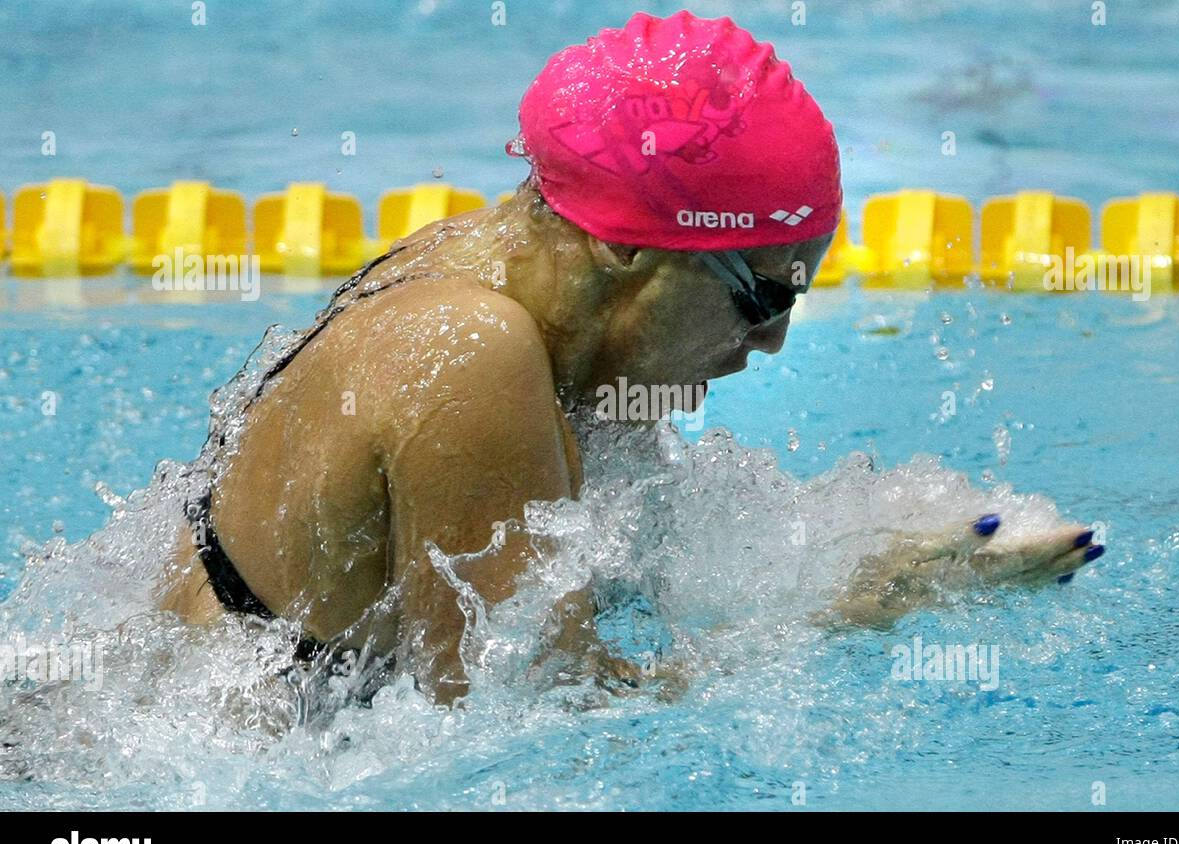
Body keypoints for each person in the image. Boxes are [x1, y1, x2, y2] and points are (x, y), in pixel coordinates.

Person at [158, 10, 1103, 706]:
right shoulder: (473, 353)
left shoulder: (511, 284)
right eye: (761, 294)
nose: (771, 341)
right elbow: (522, 725)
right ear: (622, 249)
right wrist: (859, 607)